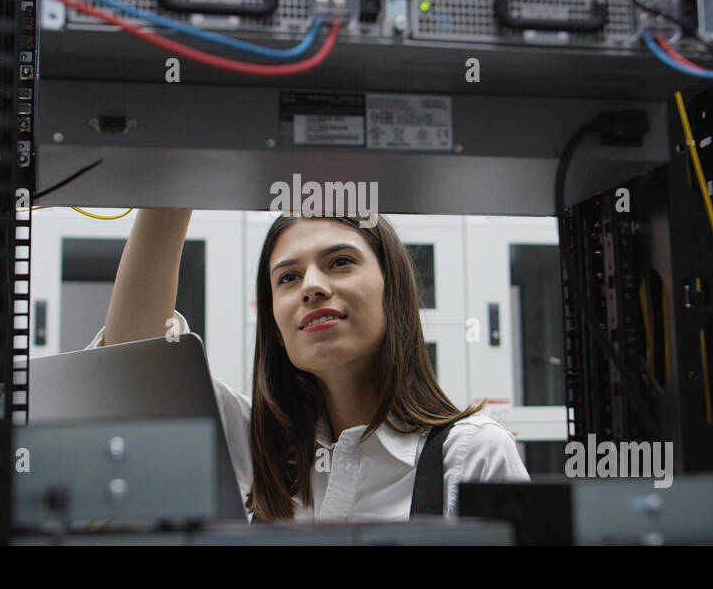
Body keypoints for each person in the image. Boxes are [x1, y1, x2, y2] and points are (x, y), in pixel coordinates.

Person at [90, 208, 528, 522]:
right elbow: (137, 357)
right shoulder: (256, 444)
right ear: (275, 322)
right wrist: (176, 181)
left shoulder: (471, 455)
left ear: (391, 289)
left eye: (340, 262)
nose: (312, 287)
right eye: (288, 277)